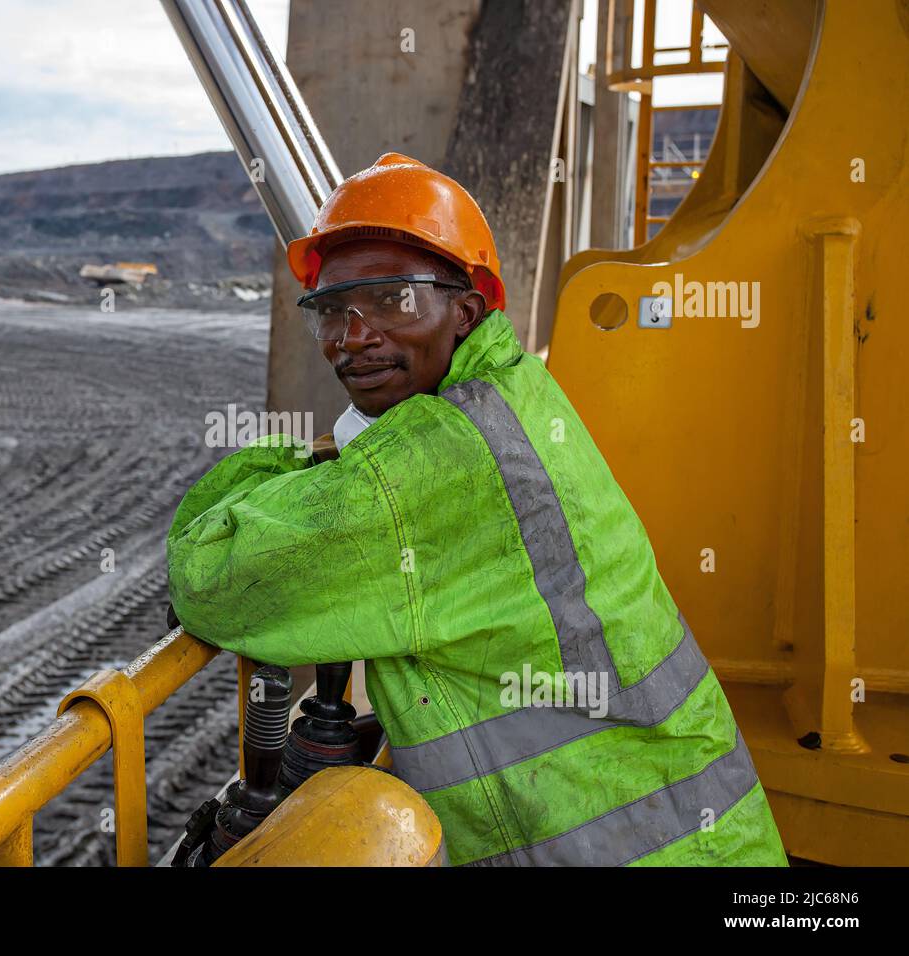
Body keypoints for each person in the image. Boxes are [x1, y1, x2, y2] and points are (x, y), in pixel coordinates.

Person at [166, 153, 787, 866]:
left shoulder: (442, 457)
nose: (353, 336)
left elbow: (210, 576)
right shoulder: (514, 393)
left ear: (465, 310)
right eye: (332, 309)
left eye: (391, 299)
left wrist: (294, 464)